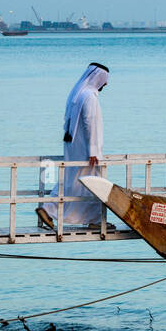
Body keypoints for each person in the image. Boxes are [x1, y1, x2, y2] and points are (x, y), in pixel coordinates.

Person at [38, 63, 109, 228]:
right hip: (86, 150)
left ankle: (49, 209)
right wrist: (93, 151)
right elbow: (90, 123)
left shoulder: (77, 94)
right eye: (104, 80)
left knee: (71, 181)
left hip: (73, 147)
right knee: (93, 182)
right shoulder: (89, 96)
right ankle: (95, 221)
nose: (106, 84)